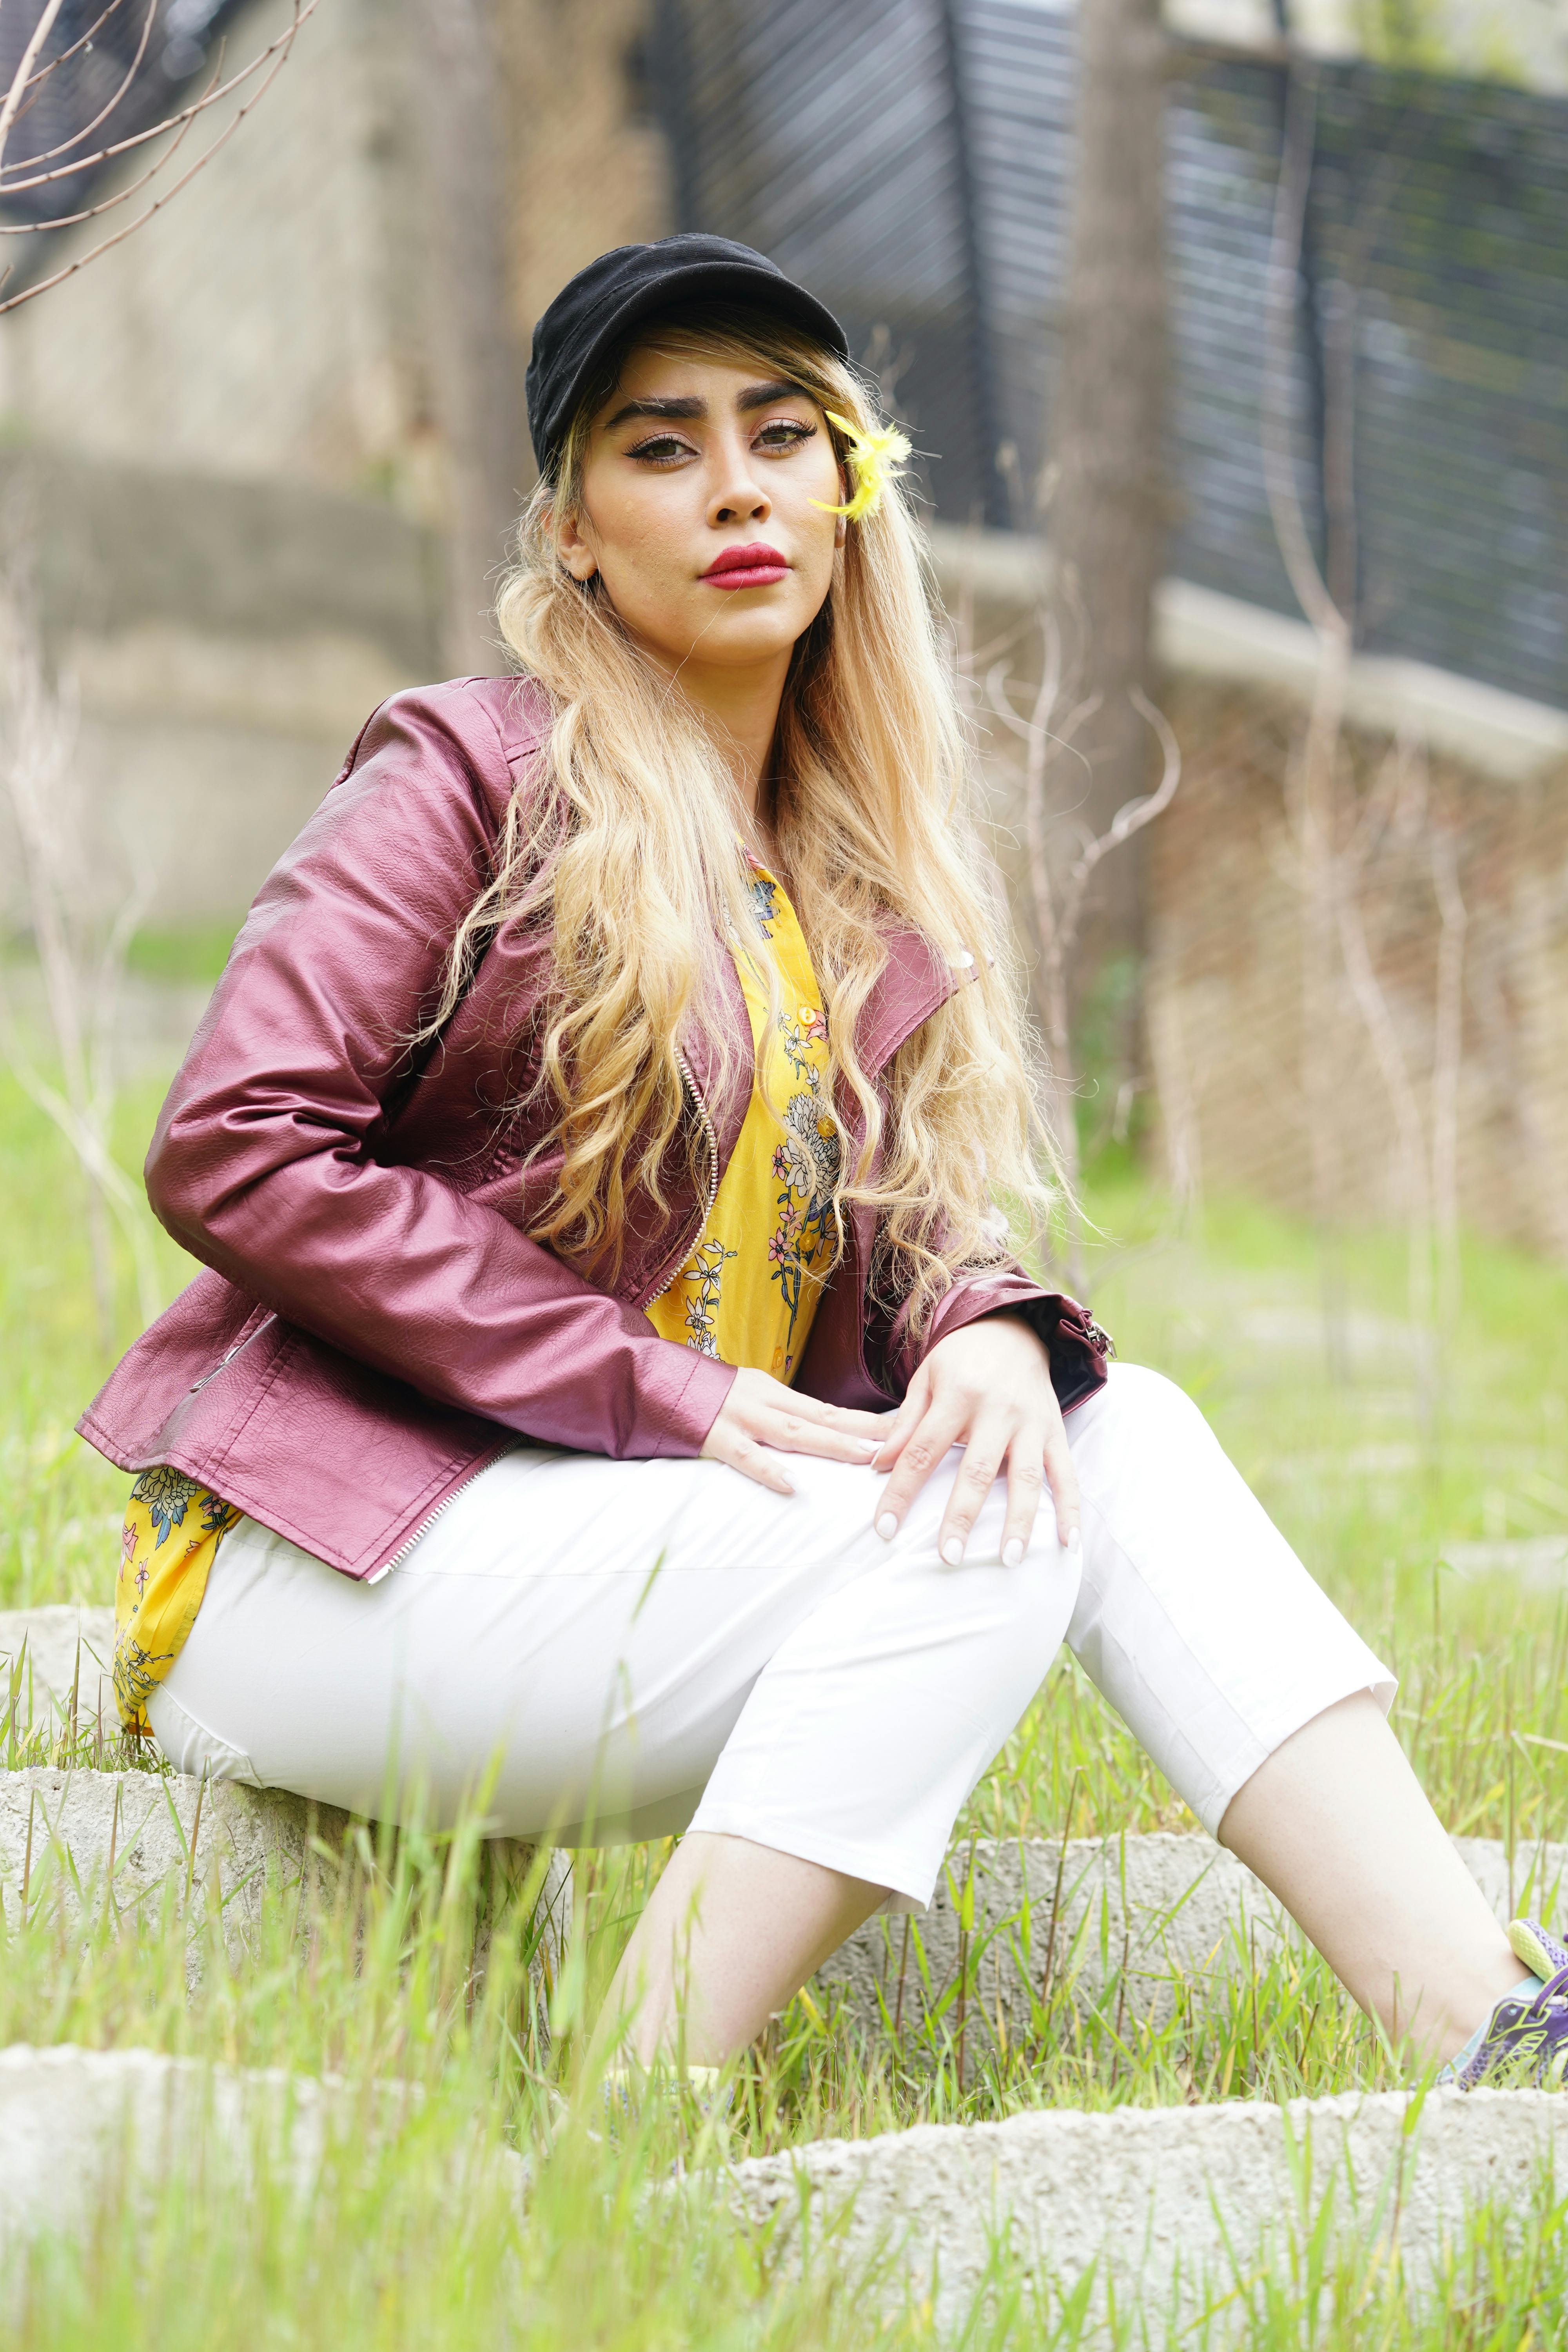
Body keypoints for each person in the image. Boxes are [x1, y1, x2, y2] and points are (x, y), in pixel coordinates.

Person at [82, 236, 1564, 2092]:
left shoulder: (850, 867)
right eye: (660, 444)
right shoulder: (464, 772)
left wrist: (997, 1330)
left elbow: (916, 1221)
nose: (734, 488)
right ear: (572, 530)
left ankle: (1481, 2029)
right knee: (981, 1542)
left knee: (1117, 1435)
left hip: (606, 1560)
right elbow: (237, 1141)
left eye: (781, 435)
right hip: (319, 1562)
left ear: (846, 492)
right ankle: (621, 2132)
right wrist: (658, 1387)